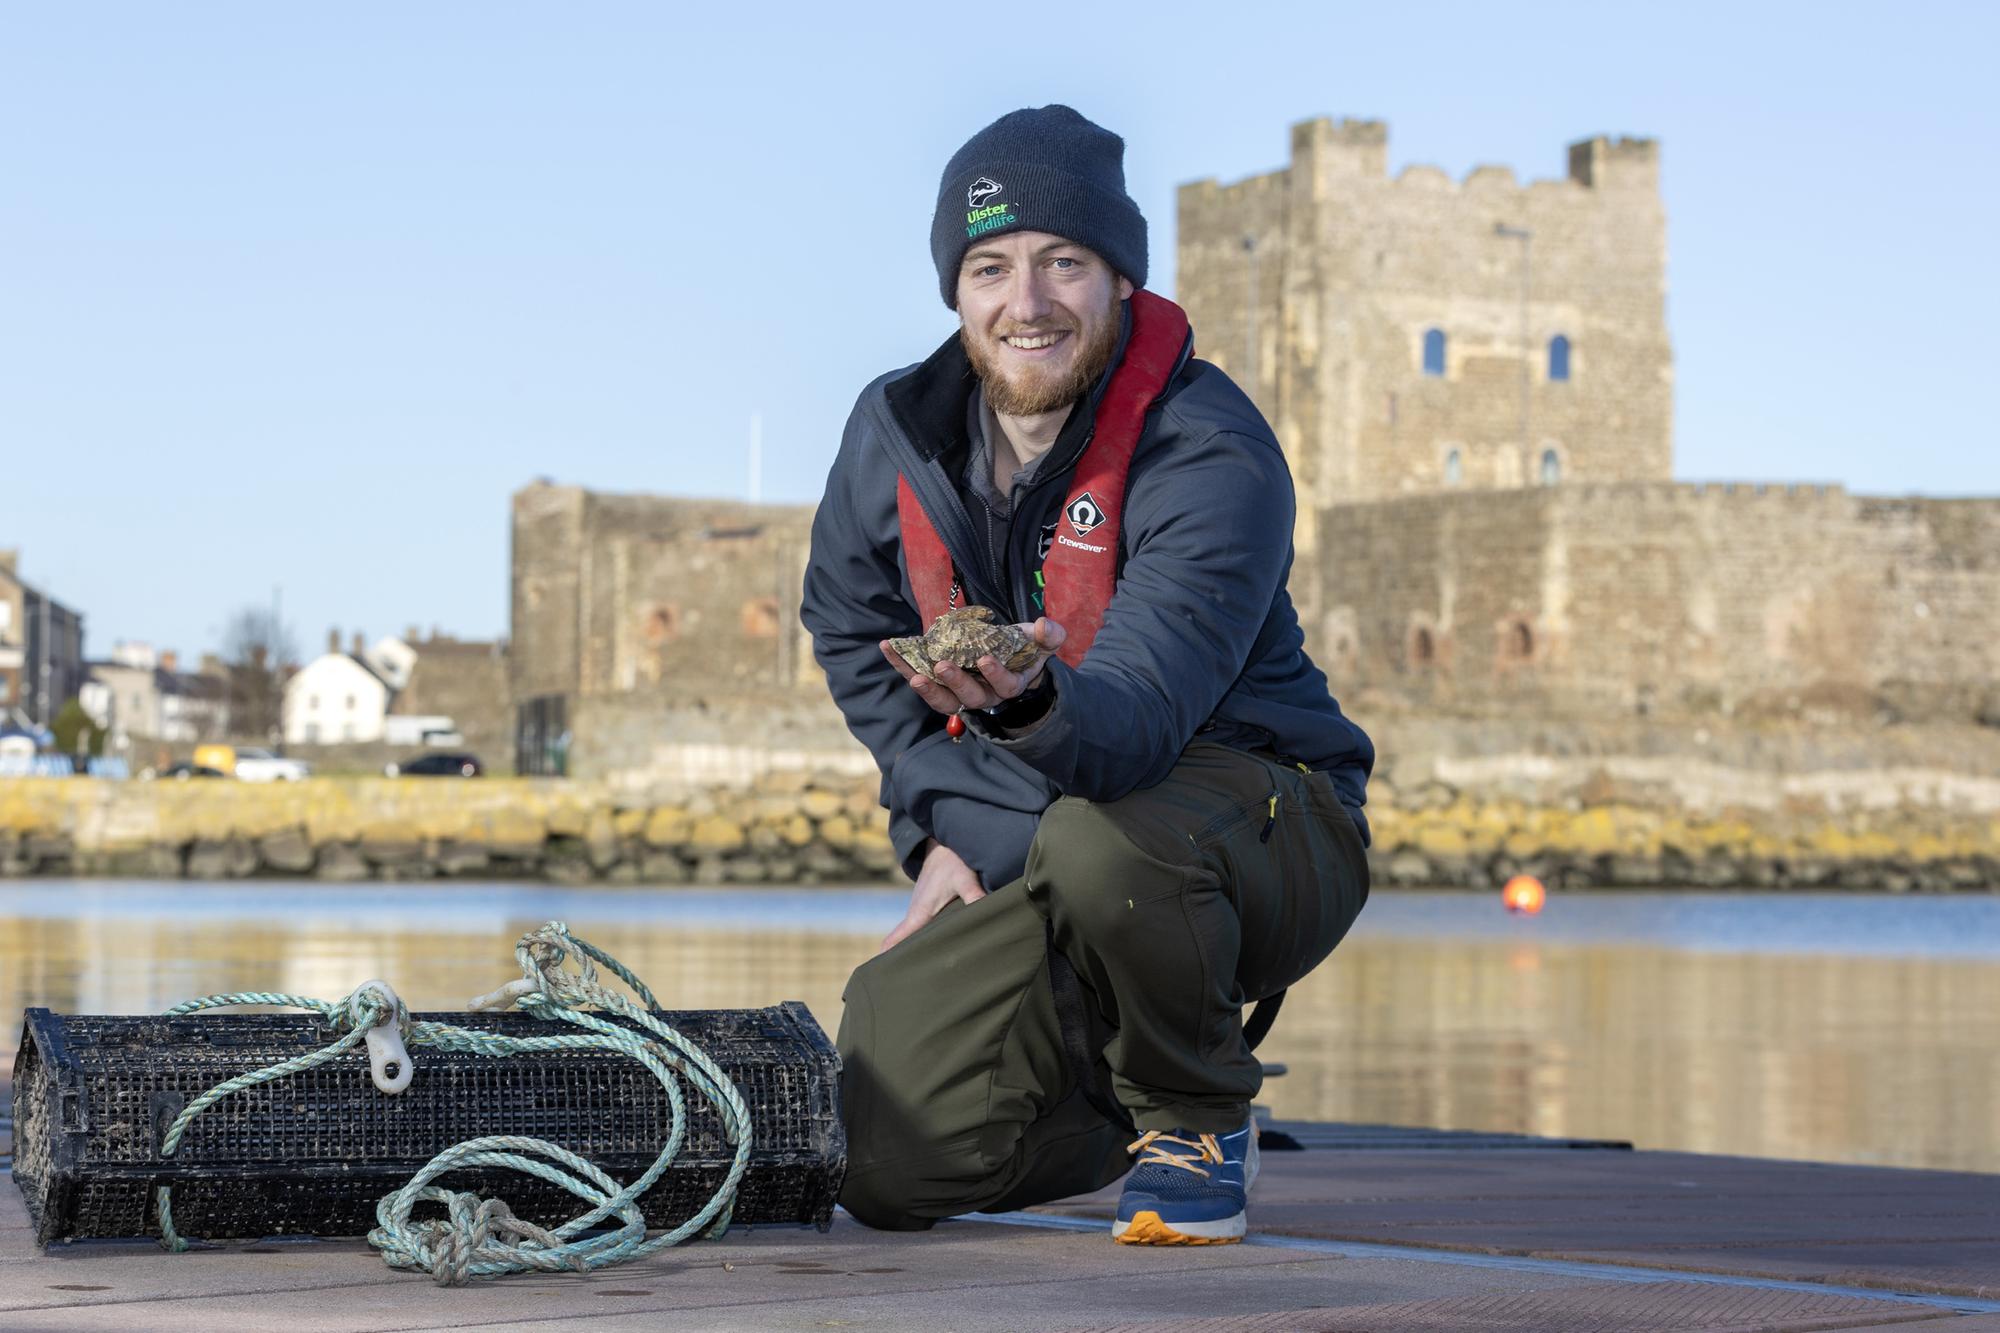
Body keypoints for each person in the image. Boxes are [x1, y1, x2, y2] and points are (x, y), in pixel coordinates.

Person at [800, 104, 1373, 1245]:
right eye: (991, 267)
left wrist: (1020, 706)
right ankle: (1114, 1091)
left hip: (1260, 821)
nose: (1028, 302)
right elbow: (848, 632)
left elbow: (1134, 726)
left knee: (1103, 840)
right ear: (953, 291)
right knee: (885, 1164)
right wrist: (947, 830)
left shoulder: (1207, 447)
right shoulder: (893, 434)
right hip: (1041, 819)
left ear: (1119, 281)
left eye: (1065, 263)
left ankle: (1198, 1114)